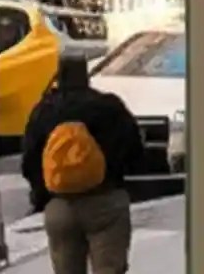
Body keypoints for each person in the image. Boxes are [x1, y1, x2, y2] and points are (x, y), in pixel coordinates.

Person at [22, 54, 144, 274]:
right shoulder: (108, 107)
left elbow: (29, 160)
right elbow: (135, 150)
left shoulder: (44, 111)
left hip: (60, 206)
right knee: (109, 268)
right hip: (105, 202)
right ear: (86, 75)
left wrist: (42, 195)